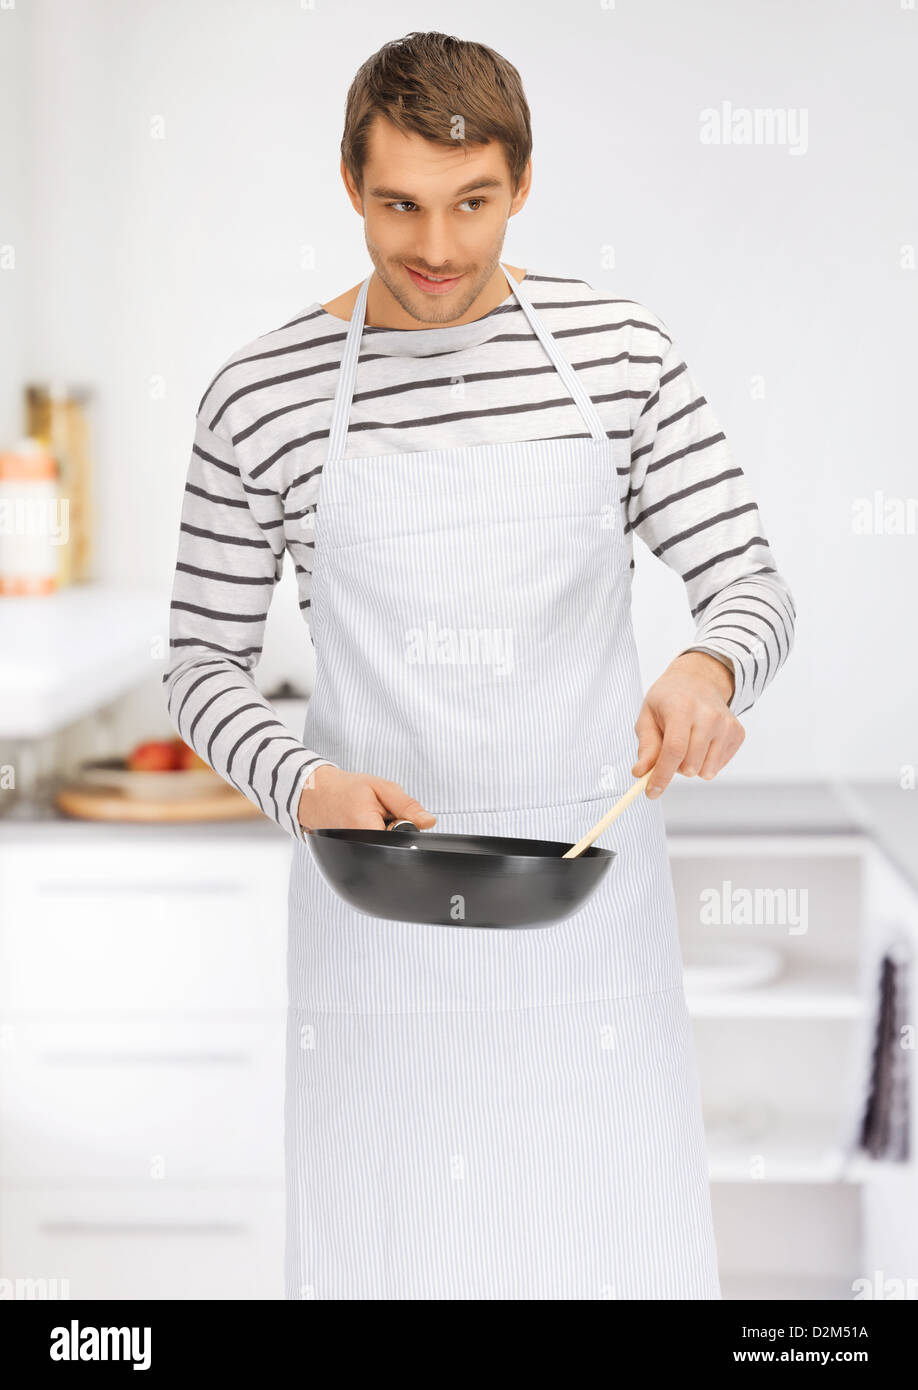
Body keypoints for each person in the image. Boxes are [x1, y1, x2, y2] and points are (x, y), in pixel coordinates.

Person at [164, 31, 795, 1299]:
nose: (438, 250)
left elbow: (750, 585)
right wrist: (300, 782)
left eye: (473, 204)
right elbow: (198, 664)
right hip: (374, 918)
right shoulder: (260, 395)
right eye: (399, 204)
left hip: (587, 914)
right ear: (349, 181)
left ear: (521, 184)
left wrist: (710, 670)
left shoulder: (620, 355)